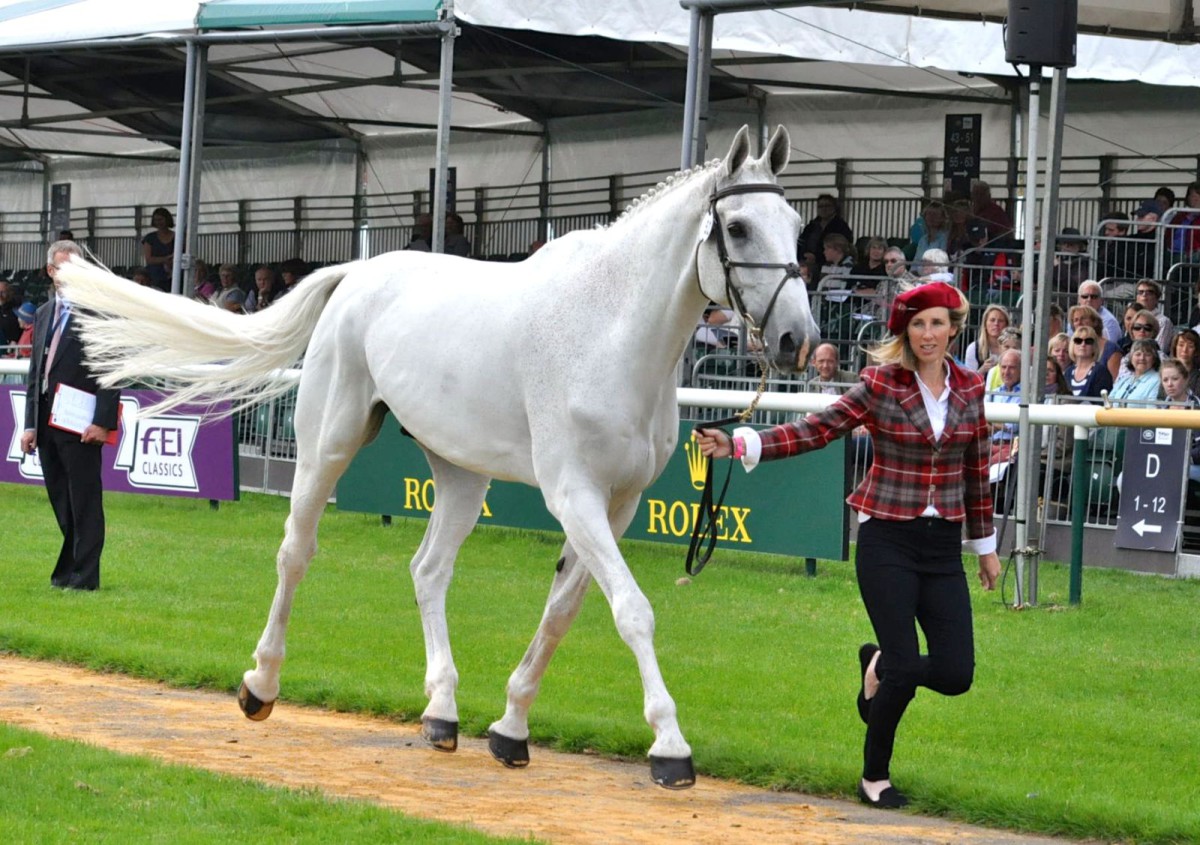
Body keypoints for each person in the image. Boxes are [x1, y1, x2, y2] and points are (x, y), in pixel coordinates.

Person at [696, 281, 999, 810]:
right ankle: (873, 777)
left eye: (937, 323)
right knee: (906, 663)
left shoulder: (972, 388)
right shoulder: (880, 383)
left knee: (956, 675)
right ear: (905, 331)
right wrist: (742, 442)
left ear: (954, 328)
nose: (928, 334)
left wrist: (986, 546)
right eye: (918, 324)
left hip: (943, 547)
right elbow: (817, 429)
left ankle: (877, 665)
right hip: (887, 540)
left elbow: (976, 470)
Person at [19, 240, 120, 591]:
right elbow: (36, 374)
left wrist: (103, 422)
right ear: (50, 271)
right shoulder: (44, 312)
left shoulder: (98, 313)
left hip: (81, 424)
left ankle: (85, 578)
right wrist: (30, 425)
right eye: (63, 268)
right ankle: (68, 571)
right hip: (47, 422)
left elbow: (110, 371)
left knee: (85, 502)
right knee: (62, 501)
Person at [798, 193, 853, 270]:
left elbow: (843, 246)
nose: (824, 209)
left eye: (827, 206)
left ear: (834, 207)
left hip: (830, 264)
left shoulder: (841, 226)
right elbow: (801, 241)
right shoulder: (811, 225)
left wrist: (816, 257)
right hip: (806, 261)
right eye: (820, 206)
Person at [1064, 325, 1114, 399]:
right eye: (1078, 341)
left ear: (1094, 347)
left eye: (1088, 341)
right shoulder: (1068, 372)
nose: (1083, 344)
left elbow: (1100, 402)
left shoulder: (1100, 372)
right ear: (1072, 345)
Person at [1110, 339, 1163, 404]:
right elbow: (1109, 402)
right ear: (1131, 358)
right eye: (1138, 354)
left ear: (1154, 359)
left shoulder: (1158, 381)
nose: (1142, 358)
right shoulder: (1124, 380)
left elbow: (1152, 407)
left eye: (1147, 355)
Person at [963, 304, 1009, 372]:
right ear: (985, 324)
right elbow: (969, 377)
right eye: (992, 320)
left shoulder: (1012, 348)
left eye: (1000, 321)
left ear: (1006, 325)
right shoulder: (974, 348)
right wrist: (982, 370)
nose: (996, 323)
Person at [1132, 279, 1174, 353]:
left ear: (1157, 298)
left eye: (1149, 292)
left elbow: (1160, 349)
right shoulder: (1132, 318)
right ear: (1136, 297)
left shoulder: (1163, 322)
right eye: (1141, 292)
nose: (1144, 295)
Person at [141, 206, 175, 292]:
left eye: (161, 219)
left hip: (174, 274)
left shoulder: (177, 237)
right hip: (154, 276)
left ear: (167, 219)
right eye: (156, 220)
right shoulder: (149, 238)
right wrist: (165, 259)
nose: (158, 222)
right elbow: (148, 259)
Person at [1170, 328, 1200, 396]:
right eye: (1181, 345)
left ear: (1196, 351)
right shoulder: (1166, 374)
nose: (1184, 350)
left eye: (1190, 346)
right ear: (1175, 347)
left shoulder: (1198, 378)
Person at [0, 278, 21, 344]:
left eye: (3, 292)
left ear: (9, 293)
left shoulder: (16, 309)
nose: (0, 295)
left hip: (12, 345)